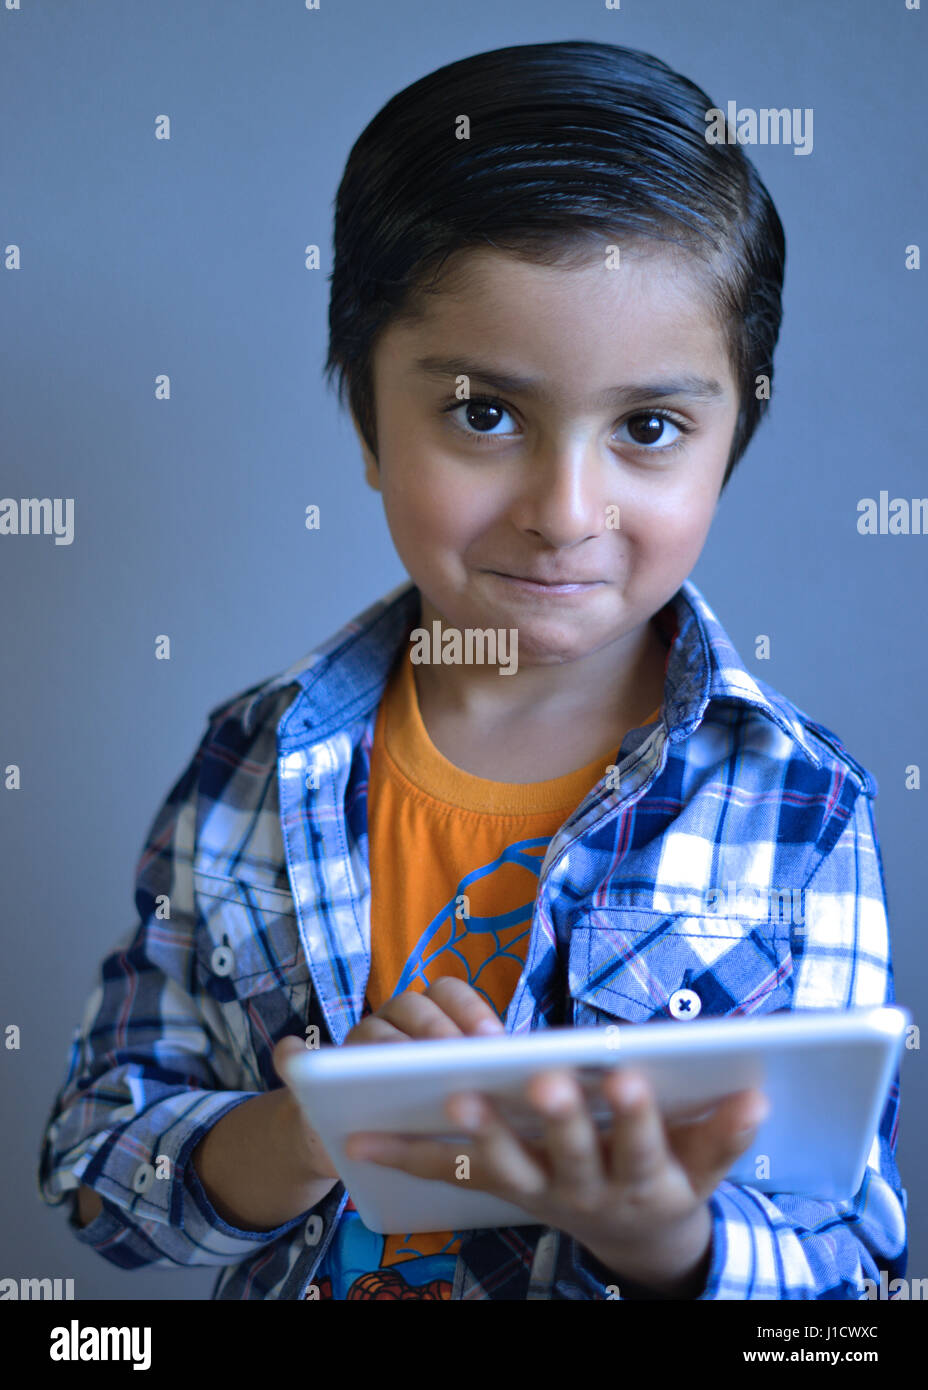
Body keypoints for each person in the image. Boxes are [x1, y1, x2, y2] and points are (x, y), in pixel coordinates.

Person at [37, 39, 906, 1300]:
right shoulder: (253, 764)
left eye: (648, 429)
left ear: (729, 441)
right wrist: (305, 1133)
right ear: (368, 419)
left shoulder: (798, 804)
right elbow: (94, 1162)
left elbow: (857, 1282)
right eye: (484, 412)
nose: (564, 509)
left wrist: (666, 1239)